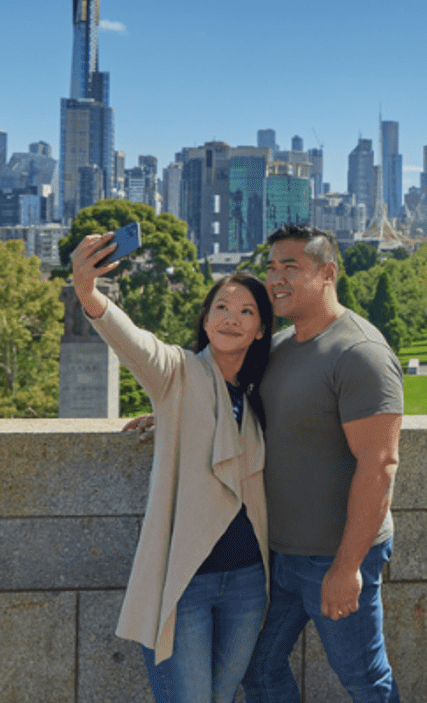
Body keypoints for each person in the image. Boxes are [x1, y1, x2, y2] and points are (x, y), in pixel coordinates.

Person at [70, 231, 273, 703]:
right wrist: (87, 291)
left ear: (261, 329)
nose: (232, 319)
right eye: (222, 307)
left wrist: (173, 424)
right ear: (205, 320)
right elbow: (133, 342)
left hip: (248, 583)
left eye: (247, 312)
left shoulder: (265, 390)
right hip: (187, 585)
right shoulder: (176, 374)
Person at [244, 224, 403, 703]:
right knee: (256, 668)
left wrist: (347, 566)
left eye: (291, 268)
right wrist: (170, 415)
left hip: (334, 556)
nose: (275, 279)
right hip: (277, 555)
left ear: (328, 273)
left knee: (364, 679)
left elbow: (379, 466)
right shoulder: (278, 346)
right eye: (271, 268)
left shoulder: (361, 354)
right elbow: (231, 403)